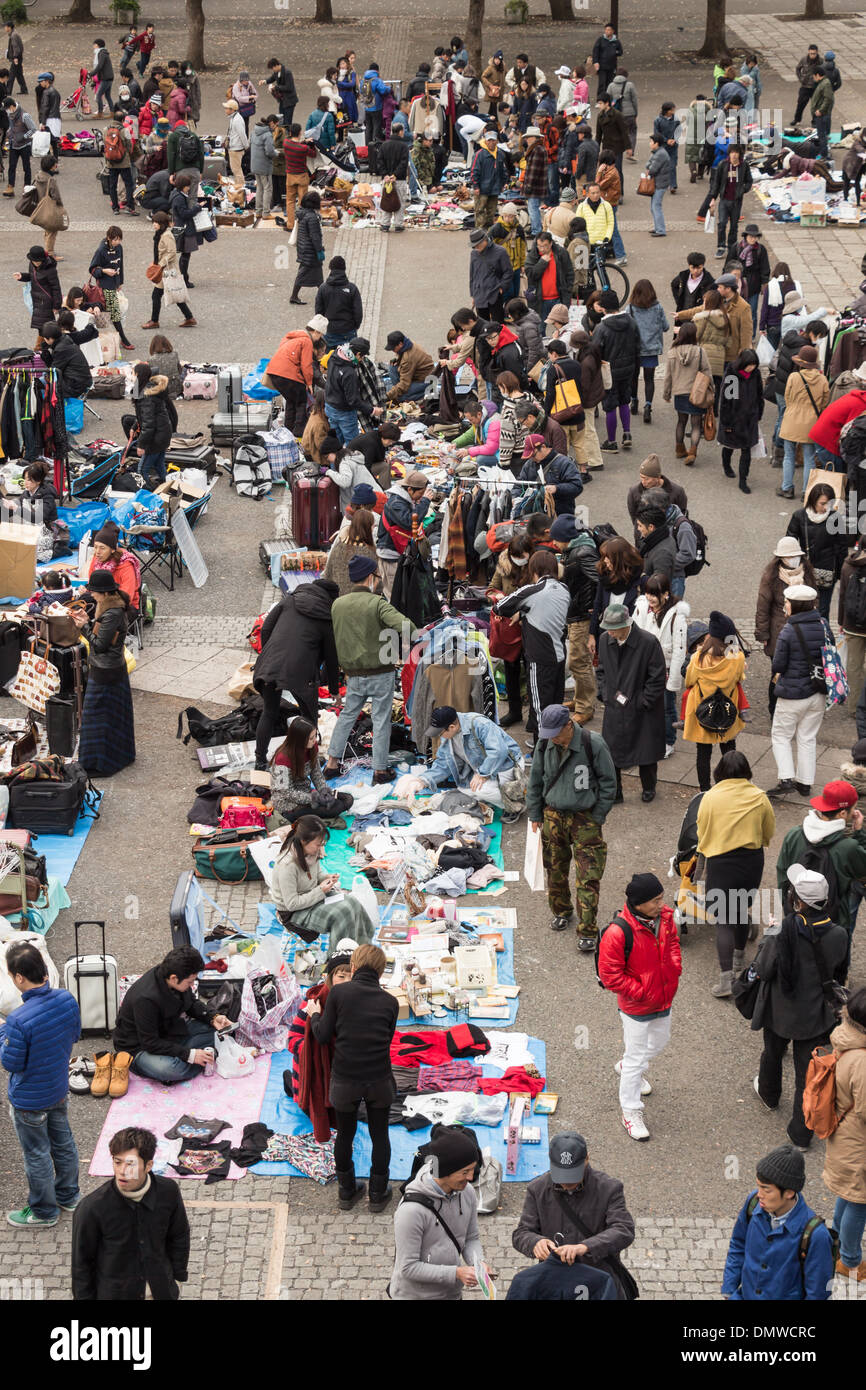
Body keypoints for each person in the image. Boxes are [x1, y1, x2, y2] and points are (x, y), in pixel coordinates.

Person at [752, 864, 848, 1147]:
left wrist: (768, 936)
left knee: (772, 1052)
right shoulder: (839, 934)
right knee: (808, 1074)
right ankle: (801, 1134)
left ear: (798, 900)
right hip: (816, 1015)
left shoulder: (783, 930)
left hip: (779, 1009)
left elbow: (764, 969)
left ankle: (768, 1095)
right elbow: (838, 973)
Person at [304, 942, 397, 1211]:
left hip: (345, 1080)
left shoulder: (339, 994)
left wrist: (315, 1016)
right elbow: (388, 1039)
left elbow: (322, 1035)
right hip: (379, 1079)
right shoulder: (390, 1002)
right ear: (381, 973)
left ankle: (347, 1191)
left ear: (353, 967)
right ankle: (378, 1194)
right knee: (380, 1135)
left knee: (345, 1134)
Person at [0, 941, 80, 1228]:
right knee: (64, 1144)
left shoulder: (18, 1020)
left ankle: (44, 1212)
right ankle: (69, 1196)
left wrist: (2, 1033)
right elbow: (74, 1035)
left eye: (11, 976)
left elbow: (11, 1063)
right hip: (58, 1089)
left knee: (36, 1154)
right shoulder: (67, 999)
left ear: (20, 977)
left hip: (29, 1101)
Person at [598, 873, 682, 1141]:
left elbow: (673, 945)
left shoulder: (666, 918)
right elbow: (611, 976)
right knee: (636, 1059)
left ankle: (627, 1068)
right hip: (636, 1007)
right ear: (639, 903)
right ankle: (630, 1111)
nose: (661, 904)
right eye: (655, 900)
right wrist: (642, 992)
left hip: (663, 998)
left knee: (659, 1042)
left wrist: (674, 967)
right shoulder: (617, 932)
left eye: (661, 898)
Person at [527, 702, 616, 944]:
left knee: (588, 875)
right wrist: (535, 814)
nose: (552, 739)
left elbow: (609, 783)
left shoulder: (592, 743)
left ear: (569, 725)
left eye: (556, 733)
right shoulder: (545, 742)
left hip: (585, 818)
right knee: (555, 869)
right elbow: (535, 779)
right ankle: (561, 911)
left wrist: (597, 816)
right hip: (553, 816)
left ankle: (587, 931)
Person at [71, 1126, 189, 1301]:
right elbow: (82, 1264)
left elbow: (179, 1235)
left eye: (130, 1164)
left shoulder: (168, 1192)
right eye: (117, 1162)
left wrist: (177, 1277)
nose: (122, 1171)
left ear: (148, 1165)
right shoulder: (92, 1208)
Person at [512, 1131, 635, 1297]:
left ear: (587, 1159)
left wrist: (585, 1247)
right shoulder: (537, 1189)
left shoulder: (609, 1188)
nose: (567, 1183)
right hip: (556, 1282)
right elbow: (521, 1233)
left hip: (598, 1281)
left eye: (573, 1175)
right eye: (561, 1175)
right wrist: (536, 1242)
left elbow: (623, 1229)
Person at [324, 555, 412, 781]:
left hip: (353, 674)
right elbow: (407, 626)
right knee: (381, 721)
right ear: (371, 577)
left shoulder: (338, 605)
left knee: (347, 716)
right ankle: (380, 770)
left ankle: (332, 763)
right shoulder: (377, 603)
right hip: (380, 672)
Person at [696, 750, 775, 996]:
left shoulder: (711, 797)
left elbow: (702, 829)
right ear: (746, 771)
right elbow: (768, 830)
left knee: (723, 919)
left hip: (722, 861)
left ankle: (725, 980)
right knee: (741, 908)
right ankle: (740, 956)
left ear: (720, 771)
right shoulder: (760, 797)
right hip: (751, 860)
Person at [722, 1144, 834, 1299]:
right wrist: (728, 1291)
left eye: (766, 1190)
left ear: (789, 1192)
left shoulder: (816, 1235)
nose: (759, 1194)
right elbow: (738, 1244)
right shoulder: (753, 1203)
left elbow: (817, 1294)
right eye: (758, 1186)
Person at [112, 946, 231, 1085]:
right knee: (172, 1069)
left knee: (219, 1030)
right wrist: (189, 1055)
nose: (192, 985)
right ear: (174, 979)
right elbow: (150, 1042)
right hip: (140, 1047)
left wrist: (213, 1017)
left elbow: (191, 1003)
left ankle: (197, 1055)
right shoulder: (145, 999)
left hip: (168, 1031)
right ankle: (200, 1057)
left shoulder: (171, 975)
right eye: (190, 982)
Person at [390, 1128, 486, 1299]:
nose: (471, 1178)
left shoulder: (467, 1192)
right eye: (465, 1172)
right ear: (444, 1172)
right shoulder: (411, 1211)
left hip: (451, 1293)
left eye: (473, 1169)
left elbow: (471, 1238)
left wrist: (479, 1264)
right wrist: (456, 1273)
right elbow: (408, 1267)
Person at [253, 577, 339, 764]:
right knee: (309, 718)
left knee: (269, 711)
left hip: (271, 665)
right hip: (301, 672)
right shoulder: (326, 616)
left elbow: (266, 628)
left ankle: (260, 760)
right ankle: (307, 760)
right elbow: (332, 657)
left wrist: (269, 656)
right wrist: (333, 688)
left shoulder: (289, 600)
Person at [494, 550, 570, 749]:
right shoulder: (563, 589)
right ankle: (557, 747)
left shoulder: (533, 590)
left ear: (534, 570)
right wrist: (525, 612)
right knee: (555, 706)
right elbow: (545, 611)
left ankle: (541, 756)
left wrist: (520, 611)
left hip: (539, 659)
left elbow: (500, 607)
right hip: (559, 656)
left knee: (540, 711)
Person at [597, 602, 666, 803]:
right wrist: (605, 693)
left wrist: (643, 702)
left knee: (646, 752)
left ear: (625, 625)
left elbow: (657, 677)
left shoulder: (648, 642)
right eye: (607, 629)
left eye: (613, 629)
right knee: (612, 752)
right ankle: (615, 792)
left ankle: (649, 787)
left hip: (641, 709)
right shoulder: (604, 640)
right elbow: (601, 670)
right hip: (615, 706)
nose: (609, 633)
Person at [69, 569, 135, 776]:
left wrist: (83, 626)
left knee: (95, 718)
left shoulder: (112, 613)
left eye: (95, 592)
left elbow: (99, 644)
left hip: (105, 672)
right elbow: (102, 635)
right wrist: (86, 621)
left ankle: (98, 764)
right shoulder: (111, 607)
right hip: (112, 669)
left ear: (105, 593)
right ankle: (119, 755)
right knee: (114, 717)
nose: (92, 594)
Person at [405, 705, 525, 818]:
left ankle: (514, 806)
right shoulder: (449, 734)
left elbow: (499, 751)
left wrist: (482, 774)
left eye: (440, 733)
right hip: (483, 766)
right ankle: (497, 795)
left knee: (482, 790)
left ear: (451, 727)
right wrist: (423, 781)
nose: (439, 737)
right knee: (465, 790)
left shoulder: (479, 724)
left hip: (506, 766)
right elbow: (443, 763)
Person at [823, 988, 866, 1278]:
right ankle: (850, 1261)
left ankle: (836, 1240)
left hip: (843, 1134)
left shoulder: (845, 1037)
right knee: (860, 1200)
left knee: (850, 1193)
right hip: (858, 1142)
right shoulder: (863, 1060)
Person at [769, 584, 827, 798]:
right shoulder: (823, 624)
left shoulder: (789, 630)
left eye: (786, 602)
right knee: (807, 737)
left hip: (793, 693)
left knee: (781, 735)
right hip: (818, 691)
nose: (784, 605)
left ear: (796, 605)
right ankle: (805, 782)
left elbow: (778, 665)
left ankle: (786, 778)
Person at [683, 611, 745, 792]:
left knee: (703, 753)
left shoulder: (698, 658)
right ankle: (731, 786)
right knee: (729, 749)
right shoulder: (736, 657)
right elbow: (740, 677)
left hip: (703, 711)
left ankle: (704, 789)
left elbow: (689, 681)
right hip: (728, 710)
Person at [633, 573, 689, 757]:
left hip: (664, 667)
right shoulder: (641, 607)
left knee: (666, 706)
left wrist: (674, 681)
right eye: (648, 593)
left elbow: (679, 651)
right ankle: (647, 737)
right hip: (644, 666)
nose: (650, 598)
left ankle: (668, 741)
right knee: (643, 703)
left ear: (666, 594)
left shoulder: (676, 616)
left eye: (654, 594)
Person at [786, 483, 846, 624]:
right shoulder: (799, 516)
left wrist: (839, 573)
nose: (826, 508)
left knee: (822, 611)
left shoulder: (835, 518)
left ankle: (821, 640)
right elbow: (790, 543)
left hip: (827, 573)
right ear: (813, 501)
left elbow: (841, 548)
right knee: (801, 609)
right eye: (823, 503)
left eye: (829, 504)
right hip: (804, 571)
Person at [778, 346, 829, 500]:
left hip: (791, 419)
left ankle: (787, 488)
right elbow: (825, 404)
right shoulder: (822, 379)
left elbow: (787, 398)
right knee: (809, 458)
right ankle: (807, 493)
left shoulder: (794, 377)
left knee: (789, 455)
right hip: (811, 422)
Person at [593, 289, 640, 453]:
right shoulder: (631, 321)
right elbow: (637, 344)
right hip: (628, 368)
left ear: (603, 307)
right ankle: (627, 434)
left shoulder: (601, 328)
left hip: (609, 371)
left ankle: (611, 441)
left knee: (610, 405)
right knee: (624, 400)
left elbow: (595, 352)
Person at [661, 323, 711, 467]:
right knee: (696, 424)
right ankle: (692, 451)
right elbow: (707, 372)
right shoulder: (700, 351)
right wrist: (712, 389)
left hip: (679, 393)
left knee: (681, 421)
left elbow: (668, 376)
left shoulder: (672, 352)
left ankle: (679, 448)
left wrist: (666, 394)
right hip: (696, 393)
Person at [139, 210, 195, 331]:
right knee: (173, 293)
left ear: (162, 224)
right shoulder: (160, 234)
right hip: (163, 269)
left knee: (157, 295)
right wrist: (155, 263)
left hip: (166, 270)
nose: (154, 224)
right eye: (153, 222)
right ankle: (189, 317)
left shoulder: (166, 235)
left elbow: (172, 253)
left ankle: (154, 321)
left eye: (156, 222)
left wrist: (159, 264)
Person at [717, 348, 763, 494]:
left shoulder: (755, 374)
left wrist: (758, 413)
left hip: (750, 419)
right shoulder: (733, 376)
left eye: (754, 365)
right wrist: (727, 423)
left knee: (746, 450)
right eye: (750, 365)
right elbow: (726, 401)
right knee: (729, 446)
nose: (752, 368)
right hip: (734, 419)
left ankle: (743, 480)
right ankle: (726, 465)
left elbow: (759, 395)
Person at [89, 224, 133, 350]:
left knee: (112, 312)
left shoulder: (119, 248)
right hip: (104, 285)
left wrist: (120, 282)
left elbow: (121, 265)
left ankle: (99, 338)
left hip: (114, 283)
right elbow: (92, 269)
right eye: (115, 239)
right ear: (108, 238)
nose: (117, 242)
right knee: (114, 313)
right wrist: (104, 271)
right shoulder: (101, 250)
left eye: (119, 239)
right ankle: (123, 339)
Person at [708, 144, 753, 258]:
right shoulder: (723, 165)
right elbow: (716, 183)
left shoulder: (744, 166)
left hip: (736, 201)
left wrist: (743, 189)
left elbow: (749, 181)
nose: (734, 155)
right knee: (722, 223)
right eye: (732, 152)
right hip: (724, 200)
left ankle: (732, 247)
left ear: (739, 154)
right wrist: (713, 198)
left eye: (736, 152)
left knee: (734, 225)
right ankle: (721, 246)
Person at [87, 521, 141, 614]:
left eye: (102, 548)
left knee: (109, 615)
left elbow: (127, 597)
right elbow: (91, 583)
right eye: (95, 547)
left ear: (112, 549)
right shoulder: (96, 560)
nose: (97, 552)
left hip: (124, 605)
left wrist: (102, 601)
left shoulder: (125, 565)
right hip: (100, 599)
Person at [14, 244, 61, 346]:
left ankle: (41, 349)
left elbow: (56, 288)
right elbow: (32, 277)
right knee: (41, 328)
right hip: (36, 300)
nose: (36, 264)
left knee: (46, 329)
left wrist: (56, 305)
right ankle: (43, 350)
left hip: (46, 302)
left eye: (38, 261)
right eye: (34, 261)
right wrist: (22, 276)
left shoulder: (50, 270)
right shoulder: (32, 264)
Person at [38, 320, 94, 406]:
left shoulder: (61, 349)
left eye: (45, 338)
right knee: (44, 376)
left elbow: (53, 372)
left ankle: (45, 411)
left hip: (75, 385)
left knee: (39, 383)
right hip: (81, 380)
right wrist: (46, 352)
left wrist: (45, 353)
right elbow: (56, 367)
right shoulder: (65, 340)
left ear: (50, 338)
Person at [467, 226, 513, 325]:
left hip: (494, 293)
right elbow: (472, 274)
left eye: (477, 245)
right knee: (483, 327)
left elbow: (508, 272)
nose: (476, 248)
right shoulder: (474, 254)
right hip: (479, 295)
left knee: (498, 326)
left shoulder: (500, 251)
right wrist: (473, 294)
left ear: (484, 240)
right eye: (474, 246)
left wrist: (501, 289)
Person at [290, 190, 324, 305]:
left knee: (317, 273)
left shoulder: (303, 214)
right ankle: (294, 296)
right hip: (310, 250)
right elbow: (315, 237)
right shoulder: (312, 218)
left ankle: (324, 295)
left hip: (304, 248)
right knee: (304, 272)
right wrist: (320, 250)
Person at [1, 460, 59, 529]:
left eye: (29, 480)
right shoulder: (28, 492)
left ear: (38, 481)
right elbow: (20, 501)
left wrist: (15, 508)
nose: (25, 482)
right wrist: (10, 503)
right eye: (25, 479)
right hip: (33, 526)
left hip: (47, 529)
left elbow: (38, 518)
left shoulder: (47, 495)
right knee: (4, 510)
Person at [384, 330, 433, 404]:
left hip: (426, 380)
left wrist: (387, 396)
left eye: (393, 348)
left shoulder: (408, 358)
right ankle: (398, 390)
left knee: (401, 397)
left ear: (400, 344)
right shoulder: (407, 344)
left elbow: (404, 384)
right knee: (392, 368)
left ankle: (427, 392)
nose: (393, 351)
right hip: (415, 375)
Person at [32, 154, 64, 259]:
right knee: (52, 231)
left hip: (40, 208)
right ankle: (50, 254)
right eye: (55, 165)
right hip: (50, 209)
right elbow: (56, 196)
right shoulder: (51, 180)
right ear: (51, 167)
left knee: (47, 231)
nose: (56, 166)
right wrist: (60, 206)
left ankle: (48, 251)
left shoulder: (38, 176)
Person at [2, 96, 34, 195]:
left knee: (26, 167)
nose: (7, 111)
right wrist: (8, 133)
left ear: (12, 106)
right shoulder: (9, 114)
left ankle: (27, 187)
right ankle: (10, 187)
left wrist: (24, 136)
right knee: (12, 166)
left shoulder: (25, 115)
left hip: (25, 145)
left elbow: (33, 129)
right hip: (13, 143)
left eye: (7, 108)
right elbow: (11, 127)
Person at [249, 112, 277, 220]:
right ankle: (266, 213)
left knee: (259, 188)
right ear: (272, 124)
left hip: (255, 165)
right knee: (267, 188)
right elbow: (270, 152)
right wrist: (276, 153)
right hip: (264, 166)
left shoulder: (254, 131)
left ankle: (258, 211)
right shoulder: (267, 135)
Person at [263, 57, 298, 131]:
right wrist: (265, 81)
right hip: (282, 100)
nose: (273, 70)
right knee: (280, 119)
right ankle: (282, 135)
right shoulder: (276, 72)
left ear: (276, 66)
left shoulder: (287, 73)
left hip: (289, 101)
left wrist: (276, 87)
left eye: (272, 68)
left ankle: (287, 136)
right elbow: (272, 78)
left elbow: (289, 87)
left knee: (287, 121)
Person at [810, 64, 834, 160]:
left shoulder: (825, 84)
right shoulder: (823, 83)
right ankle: (823, 152)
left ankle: (823, 154)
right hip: (821, 114)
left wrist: (821, 110)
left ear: (818, 75)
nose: (813, 78)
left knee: (822, 135)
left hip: (822, 115)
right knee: (822, 135)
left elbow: (828, 99)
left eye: (814, 76)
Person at [91, 39, 114, 117]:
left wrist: (91, 73)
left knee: (98, 95)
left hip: (106, 78)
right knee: (108, 96)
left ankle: (100, 113)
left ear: (97, 45)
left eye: (94, 44)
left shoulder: (101, 53)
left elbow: (100, 66)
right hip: (109, 77)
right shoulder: (104, 53)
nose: (93, 46)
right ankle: (112, 112)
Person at [4, 20, 25, 95]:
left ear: (9, 27)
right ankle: (24, 90)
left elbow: (16, 48)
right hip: (18, 57)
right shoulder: (13, 34)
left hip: (16, 58)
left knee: (11, 75)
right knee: (19, 75)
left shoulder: (13, 35)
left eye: (5, 27)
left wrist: (15, 57)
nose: (4, 28)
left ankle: (7, 92)